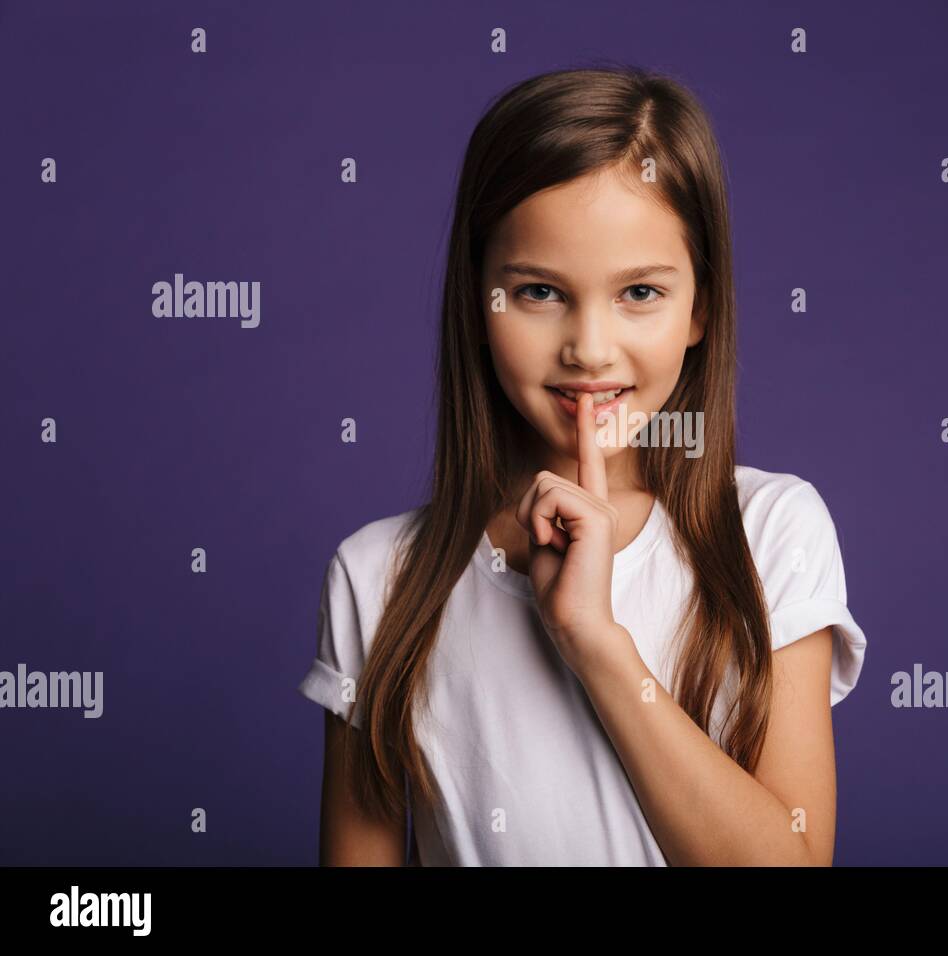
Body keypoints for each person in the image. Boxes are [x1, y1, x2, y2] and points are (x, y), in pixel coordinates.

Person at [297, 65, 868, 866]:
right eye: (538, 291)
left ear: (700, 306)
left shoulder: (773, 532)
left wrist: (594, 640)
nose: (590, 349)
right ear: (478, 304)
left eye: (639, 292)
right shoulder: (377, 577)